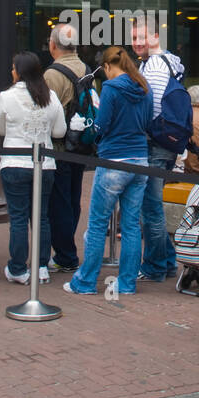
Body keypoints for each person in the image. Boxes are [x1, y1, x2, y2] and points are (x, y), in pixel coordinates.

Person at [64, 47, 151, 296]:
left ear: (108, 66)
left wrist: (90, 130)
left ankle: (85, 282)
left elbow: (102, 124)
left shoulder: (112, 89)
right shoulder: (144, 88)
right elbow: (147, 122)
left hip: (114, 158)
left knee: (98, 223)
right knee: (132, 225)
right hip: (139, 159)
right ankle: (127, 283)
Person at [0, 51, 66, 284]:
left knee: (18, 218)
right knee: (41, 217)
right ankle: (42, 265)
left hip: (14, 161)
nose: (11, 71)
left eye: (13, 68)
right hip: (44, 162)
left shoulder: (6, 97)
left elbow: (1, 129)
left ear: (19, 71)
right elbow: (59, 132)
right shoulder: (50, 96)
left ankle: (17, 267)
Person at [130, 16, 185, 282]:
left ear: (155, 36)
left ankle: (154, 266)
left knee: (150, 209)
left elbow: (150, 109)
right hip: (167, 142)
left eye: (142, 37)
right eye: (134, 38)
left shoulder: (152, 66)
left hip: (155, 142)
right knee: (152, 205)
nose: (137, 43)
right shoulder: (170, 61)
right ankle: (168, 260)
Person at [43, 22, 87, 272]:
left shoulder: (52, 74)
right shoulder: (86, 68)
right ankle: (67, 249)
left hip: (59, 146)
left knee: (58, 201)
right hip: (81, 146)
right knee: (73, 197)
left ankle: (65, 254)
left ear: (52, 45)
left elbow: (46, 112)